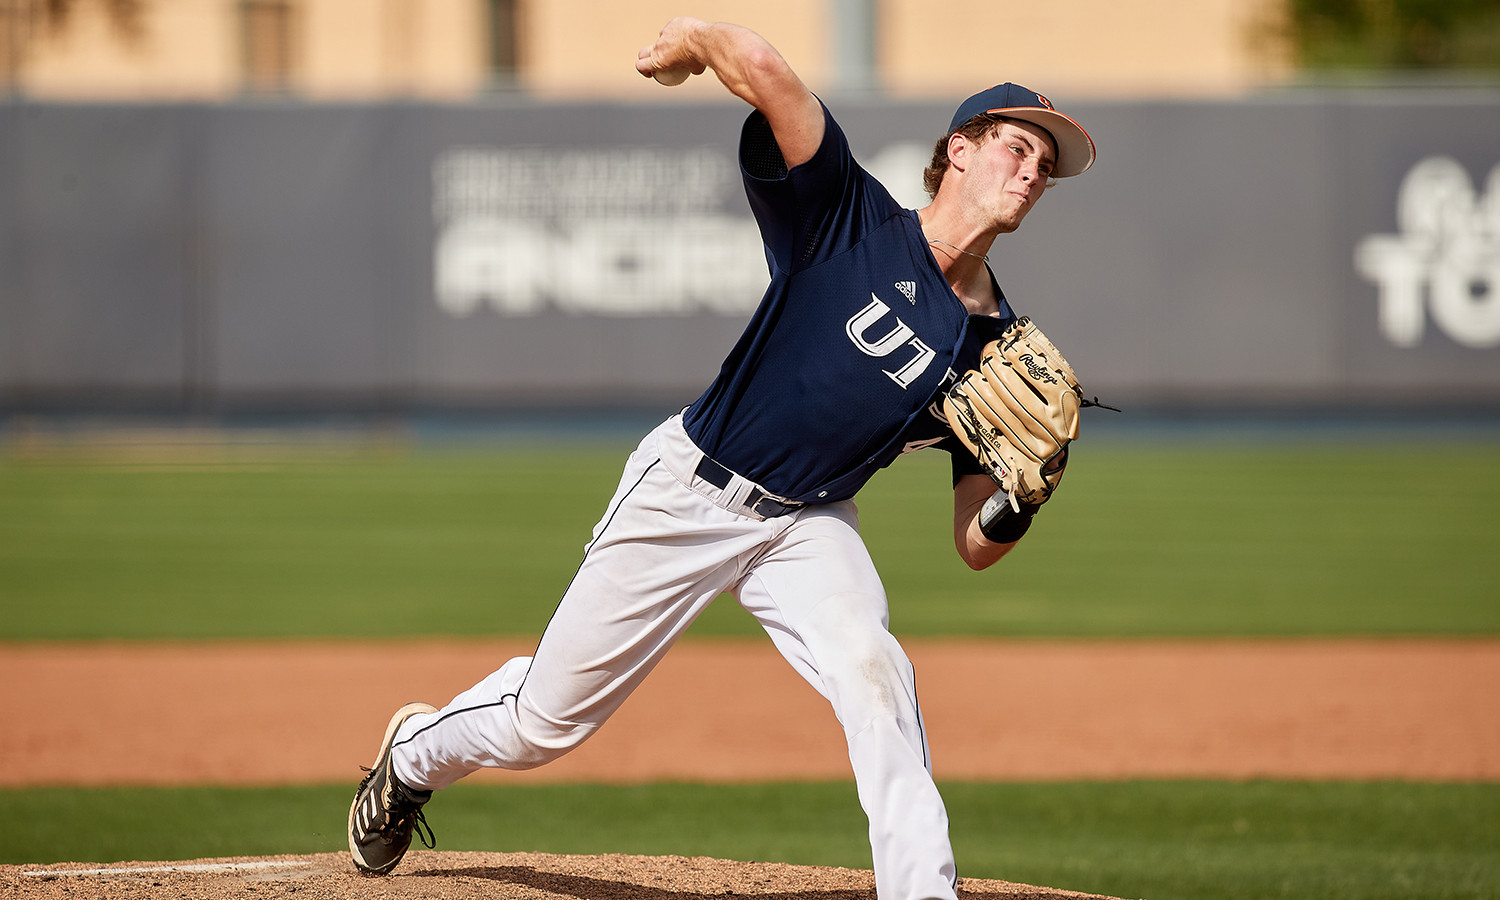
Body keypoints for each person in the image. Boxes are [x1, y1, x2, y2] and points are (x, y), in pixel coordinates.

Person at [349, 17, 1096, 900]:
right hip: (691, 490)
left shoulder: (997, 346)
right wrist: (697, 39)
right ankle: (414, 753)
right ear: (959, 151)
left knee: (872, 666)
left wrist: (1023, 497)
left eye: (1046, 165)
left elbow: (976, 542)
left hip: (809, 522)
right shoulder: (850, 220)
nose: (1033, 171)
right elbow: (774, 78)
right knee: (544, 723)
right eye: (1018, 147)